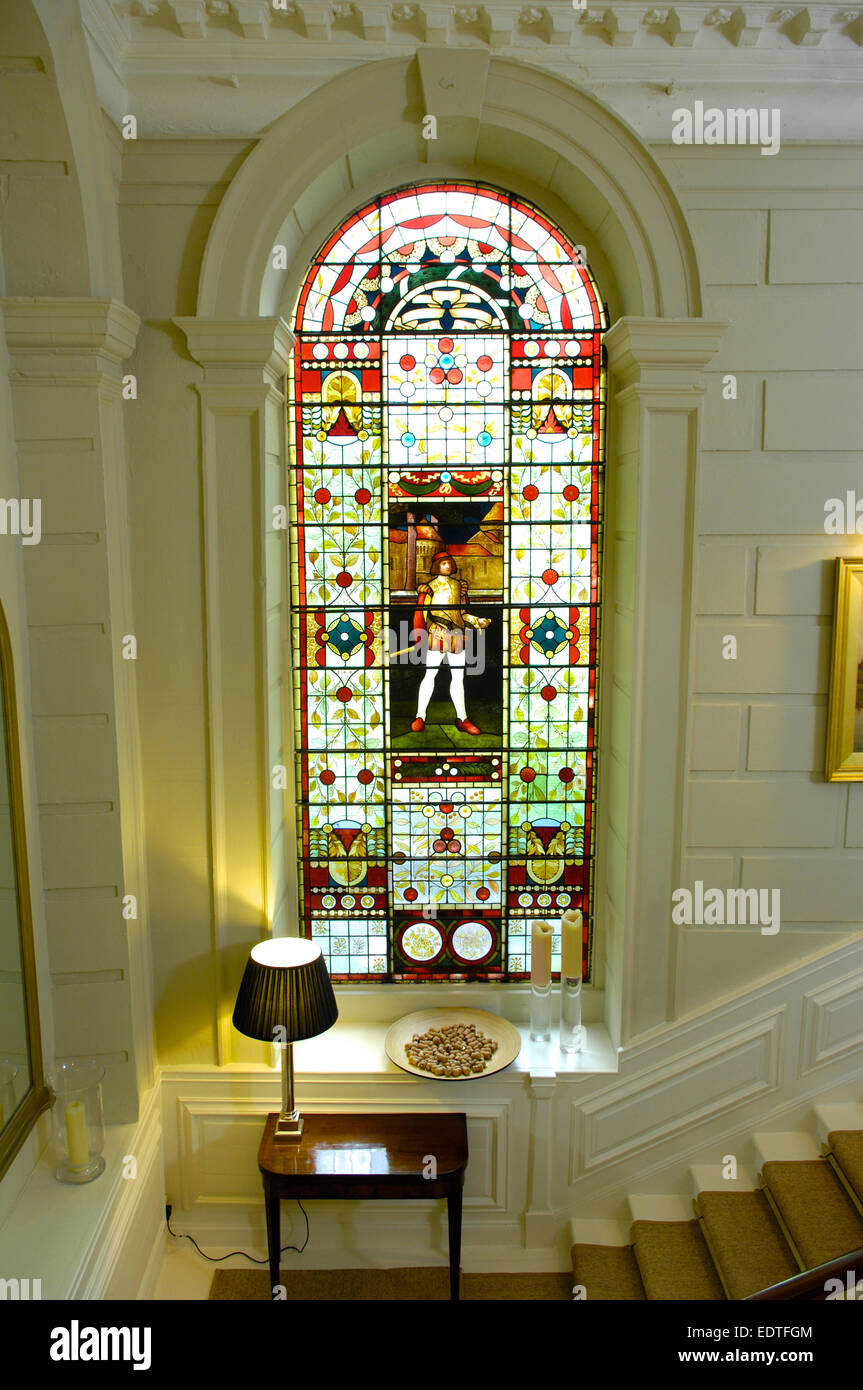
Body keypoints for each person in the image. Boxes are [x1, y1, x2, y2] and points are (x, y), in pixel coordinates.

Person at [411, 550, 490, 735]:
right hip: (437, 634)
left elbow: (462, 613)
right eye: (443, 563)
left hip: (457, 635)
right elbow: (422, 613)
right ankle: (420, 716)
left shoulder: (459, 587)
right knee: (430, 674)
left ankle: (462, 718)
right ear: (436, 566)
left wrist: (476, 620)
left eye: (449, 562)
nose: (447, 565)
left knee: (458, 677)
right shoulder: (429, 587)